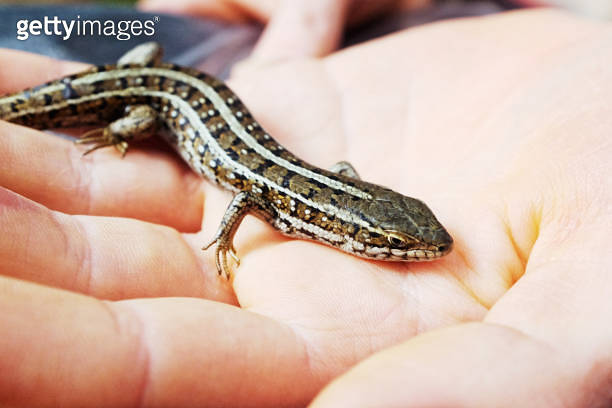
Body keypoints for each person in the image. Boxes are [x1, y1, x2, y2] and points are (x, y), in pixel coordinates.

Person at [0, 2, 610, 407]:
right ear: (355, 228)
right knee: (46, 53)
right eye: (398, 241)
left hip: (169, 75)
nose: (423, 247)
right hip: (156, 100)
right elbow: (243, 191)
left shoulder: (325, 195)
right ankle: (113, 123)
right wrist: (223, 239)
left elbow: (340, 175)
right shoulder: (282, 203)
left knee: (41, 30)